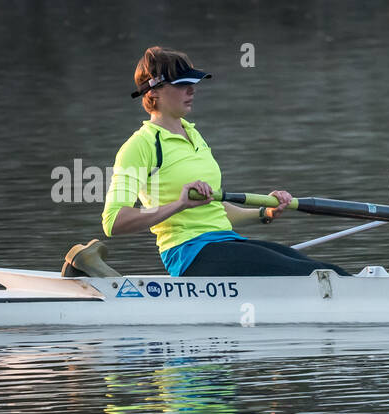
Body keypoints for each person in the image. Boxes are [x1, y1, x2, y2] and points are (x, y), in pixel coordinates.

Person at [102, 46, 348, 277]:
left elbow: (215, 210)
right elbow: (114, 222)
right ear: (153, 91)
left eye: (193, 82)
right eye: (182, 83)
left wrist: (266, 212)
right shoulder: (139, 146)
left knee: (324, 269)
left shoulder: (195, 135)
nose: (192, 89)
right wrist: (179, 204)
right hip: (189, 254)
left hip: (225, 242)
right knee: (315, 275)